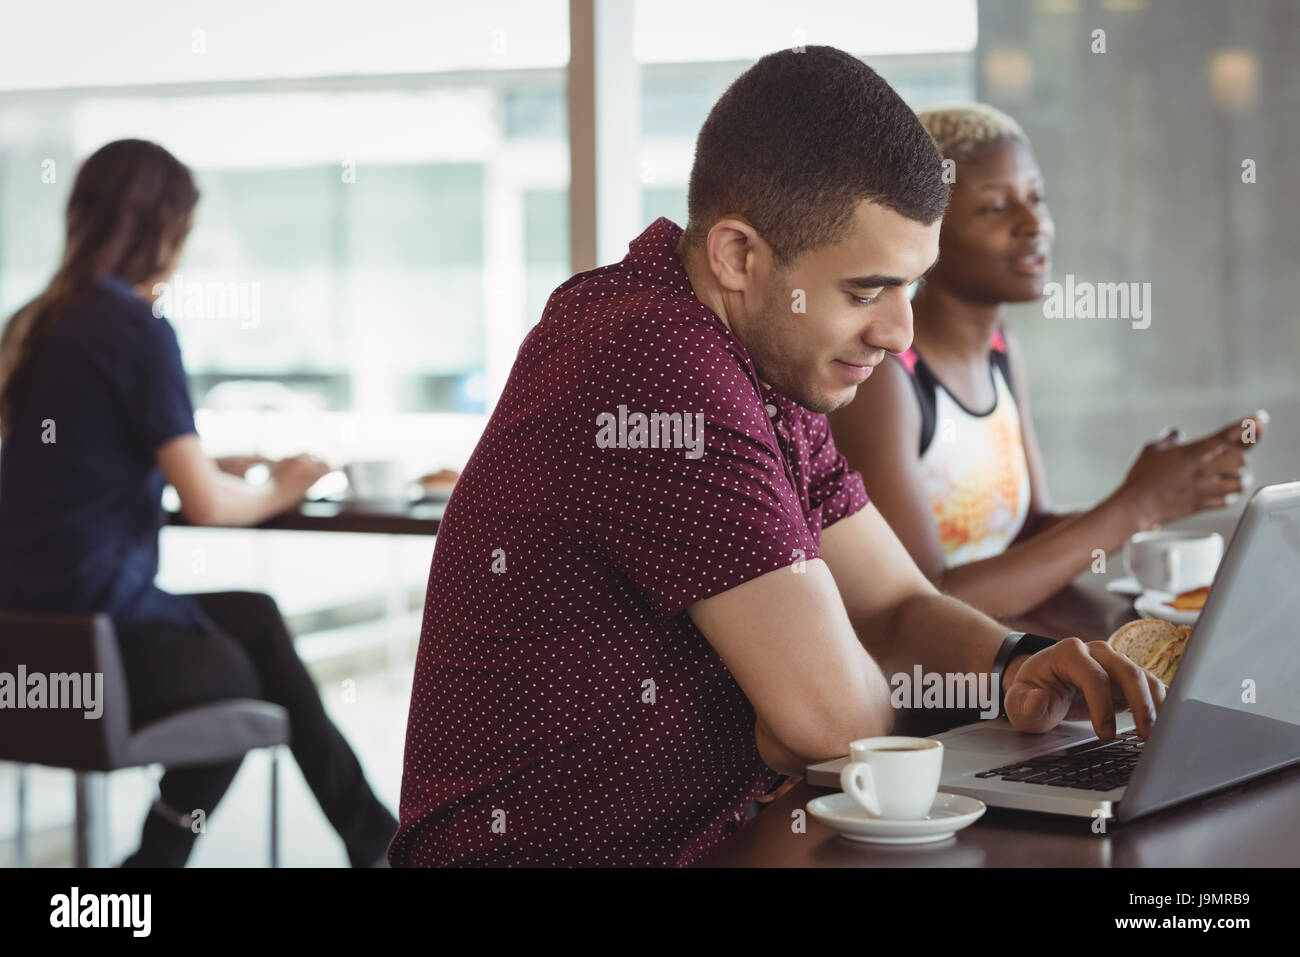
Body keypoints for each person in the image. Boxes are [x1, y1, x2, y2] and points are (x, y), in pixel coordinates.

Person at [391, 48, 1166, 868]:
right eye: (867, 291)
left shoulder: (763, 358)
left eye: (911, 286)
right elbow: (838, 725)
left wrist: (1016, 662)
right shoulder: (654, 361)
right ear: (737, 256)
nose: (900, 332)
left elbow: (897, 605)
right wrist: (802, 711)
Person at [0, 139, 397, 867]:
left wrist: (203, 460)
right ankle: (159, 871)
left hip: (23, 641)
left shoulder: (33, 324)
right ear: (165, 230)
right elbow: (209, 507)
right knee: (248, 680)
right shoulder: (135, 328)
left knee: (256, 619)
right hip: (103, 645)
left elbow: (72, 460)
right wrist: (282, 485)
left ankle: (375, 842)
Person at [827, 104, 1267, 620]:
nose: (1033, 224)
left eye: (1036, 198)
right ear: (926, 233)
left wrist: (1165, 494)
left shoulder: (1001, 352)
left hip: (1015, 662)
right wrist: (1134, 508)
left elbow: (1028, 534)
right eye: (995, 208)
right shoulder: (884, 375)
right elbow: (920, 610)